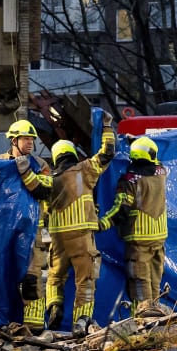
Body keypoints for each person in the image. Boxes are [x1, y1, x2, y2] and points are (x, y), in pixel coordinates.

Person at [44, 114, 115, 337]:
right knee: (85, 279)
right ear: (73, 154)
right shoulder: (84, 170)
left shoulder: (49, 179)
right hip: (81, 234)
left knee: (55, 277)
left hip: (57, 237)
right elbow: (107, 153)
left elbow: (45, 211)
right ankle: (81, 321)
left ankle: (55, 307)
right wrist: (106, 126)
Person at [0, 119, 53, 335]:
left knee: (32, 279)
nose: (31, 143)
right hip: (4, 232)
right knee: (3, 276)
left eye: (32, 139)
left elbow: (44, 191)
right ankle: (3, 323)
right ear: (14, 140)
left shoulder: (40, 165)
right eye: (26, 139)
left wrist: (25, 172)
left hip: (32, 233)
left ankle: (33, 328)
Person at [99, 136, 169, 318]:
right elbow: (154, 161)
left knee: (139, 283)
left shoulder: (129, 180)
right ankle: (156, 319)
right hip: (159, 238)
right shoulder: (161, 173)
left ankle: (141, 320)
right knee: (155, 282)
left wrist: (100, 224)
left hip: (139, 240)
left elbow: (120, 210)